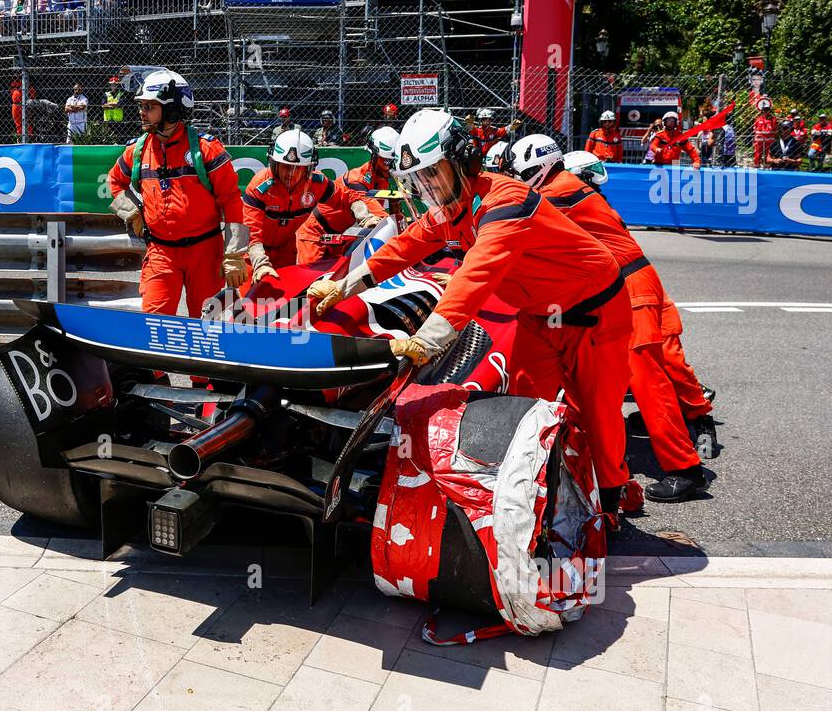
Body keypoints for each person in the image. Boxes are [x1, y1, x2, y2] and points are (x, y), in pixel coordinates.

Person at [309, 111, 634, 524]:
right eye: (421, 179)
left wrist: (427, 340)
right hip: (541, 316)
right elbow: (407, 244)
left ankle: (610, 508)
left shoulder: (505, 201)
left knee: (599, 416)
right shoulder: (455, 206)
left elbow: (475, 276)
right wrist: (347, 283)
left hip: (596, 313)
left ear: (462, 160)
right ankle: (538, 497)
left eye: (435, 174)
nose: (428, 187)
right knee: (523, 407)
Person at [547, 147, 712, 501]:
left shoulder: (560, 192)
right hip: (626, 284)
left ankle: (686, 468)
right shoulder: (580, 196)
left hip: (629, 285)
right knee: (650, 371)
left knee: (647, 378)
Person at [107, 69, 247, 317]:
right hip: (161, 252)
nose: (142, 112)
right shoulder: (138, 150)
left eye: (149, 106)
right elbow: (115, 180)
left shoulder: (205, 149)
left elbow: (231, 199)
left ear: (171, 109)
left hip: (205, 251)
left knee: (207, 324)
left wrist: (234, 254)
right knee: (155, 322)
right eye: (142, 105)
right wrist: (134, 214)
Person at [241, 128, 372, 282]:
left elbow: (348, 197)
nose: (290, 174)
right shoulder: (260, 187)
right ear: (274, 163)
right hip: (253, 254)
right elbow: (250, 231)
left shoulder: (317, 183)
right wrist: (260, 264)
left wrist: (365, 215)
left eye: (298, 168)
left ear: (308, 168)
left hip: (287, 251)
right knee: (249, 302)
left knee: (286, 301)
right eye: (285, 166)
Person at [752, 98, 778, 168]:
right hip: (759, 141)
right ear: (762, 111)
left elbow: (775, 130)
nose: (766, 111)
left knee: (768, 155)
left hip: (769, 141)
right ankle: (756, 167)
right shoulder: (758, 119)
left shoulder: (773, 119)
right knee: (757, 155)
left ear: (769, 110)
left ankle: (767, 167)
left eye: (767, 110)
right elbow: (755, 129)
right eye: (764, 110)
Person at [102, 75, 127, 139]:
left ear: (118, 85)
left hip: (118, 119)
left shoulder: (121, 94)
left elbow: (121, 104)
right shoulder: (106, 94)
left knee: (119, 136)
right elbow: (103, 106)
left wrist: (109, 104)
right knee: (108, 137)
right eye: (112, 85)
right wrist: (115, 105)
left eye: (115, 85)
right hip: (108, 119)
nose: (113, 86)